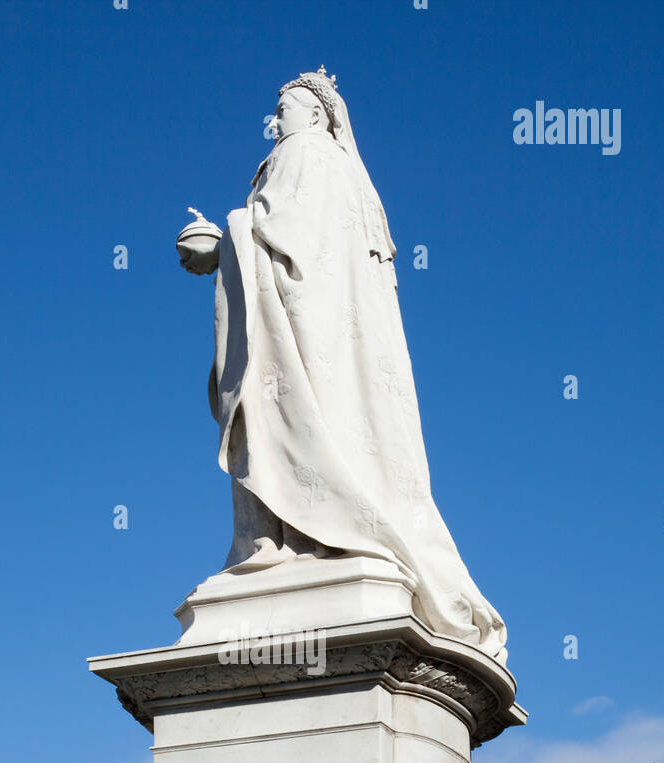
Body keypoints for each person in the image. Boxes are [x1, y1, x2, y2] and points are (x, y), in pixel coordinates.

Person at [179, 67, 507, 662]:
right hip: (330, 341)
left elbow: (285, 236)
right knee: (332, 429)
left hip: (296, 336)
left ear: (316, 113)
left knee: (288, 422)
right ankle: (308, 539)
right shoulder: (353, 179)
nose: (274, 119)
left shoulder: (304, 152)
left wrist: (219, 241)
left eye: (284, 106)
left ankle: (287, 543)